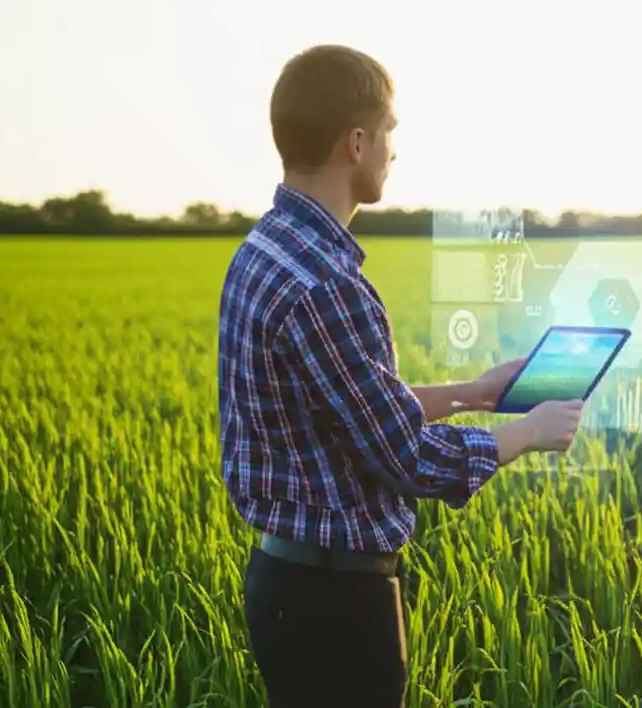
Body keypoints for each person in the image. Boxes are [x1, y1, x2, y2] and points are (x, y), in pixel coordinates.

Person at [216, 44, 584, 707]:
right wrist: (527, 433)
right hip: (337, 604)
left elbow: (348, 411)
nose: (393, 150)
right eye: (389, 132)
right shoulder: (328, 283)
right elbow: (403, 455)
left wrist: (474, 393)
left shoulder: (263, 250)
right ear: (356, 143)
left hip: (285, 581)